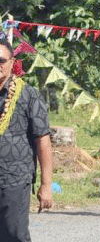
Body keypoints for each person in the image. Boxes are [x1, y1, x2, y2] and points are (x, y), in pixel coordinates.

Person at [0, 39, 53, 242]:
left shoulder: (28, 95)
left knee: (14, 235)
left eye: (1, 60)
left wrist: (46, 185)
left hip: (14, 179)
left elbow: (43, 141)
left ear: (12, 62)